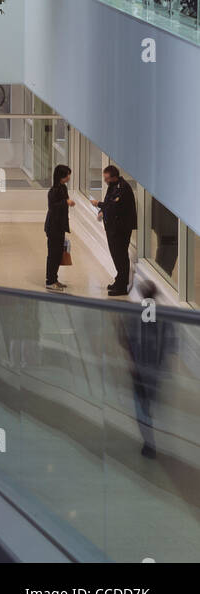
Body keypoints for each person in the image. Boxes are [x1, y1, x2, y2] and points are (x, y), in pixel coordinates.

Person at [116, 278, 173, 459]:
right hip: (155, 370)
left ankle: (149, 442)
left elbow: (126, 340)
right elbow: (170, 345)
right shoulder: (164, 316)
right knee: (149, 403)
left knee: (142, 406)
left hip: (140, 370)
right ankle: (151, 438)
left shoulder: (135, 315)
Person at [92, 164, 137, 297]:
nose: (105, 181)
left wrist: (99, 204)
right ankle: (119, 280)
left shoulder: (122, 188)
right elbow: (109, 202)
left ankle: (122, 286)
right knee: (116, 255)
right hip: (113, 227)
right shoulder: (112, 186)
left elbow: (113, 206)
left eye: (107, 178)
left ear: (114, 177)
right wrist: (102, 210)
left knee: (120, 256)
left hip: (121, 228)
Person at [43, 164, 72, 291]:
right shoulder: (53, 191)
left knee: (58, 254)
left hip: (60, 227)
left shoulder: (63, 188)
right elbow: (53, 208)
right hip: (53, 227)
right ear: (61, 176)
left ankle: (54, 279)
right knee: (53, 255)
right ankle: (50, 281)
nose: (69, 177)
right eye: (67, 174)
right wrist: (65, 202)